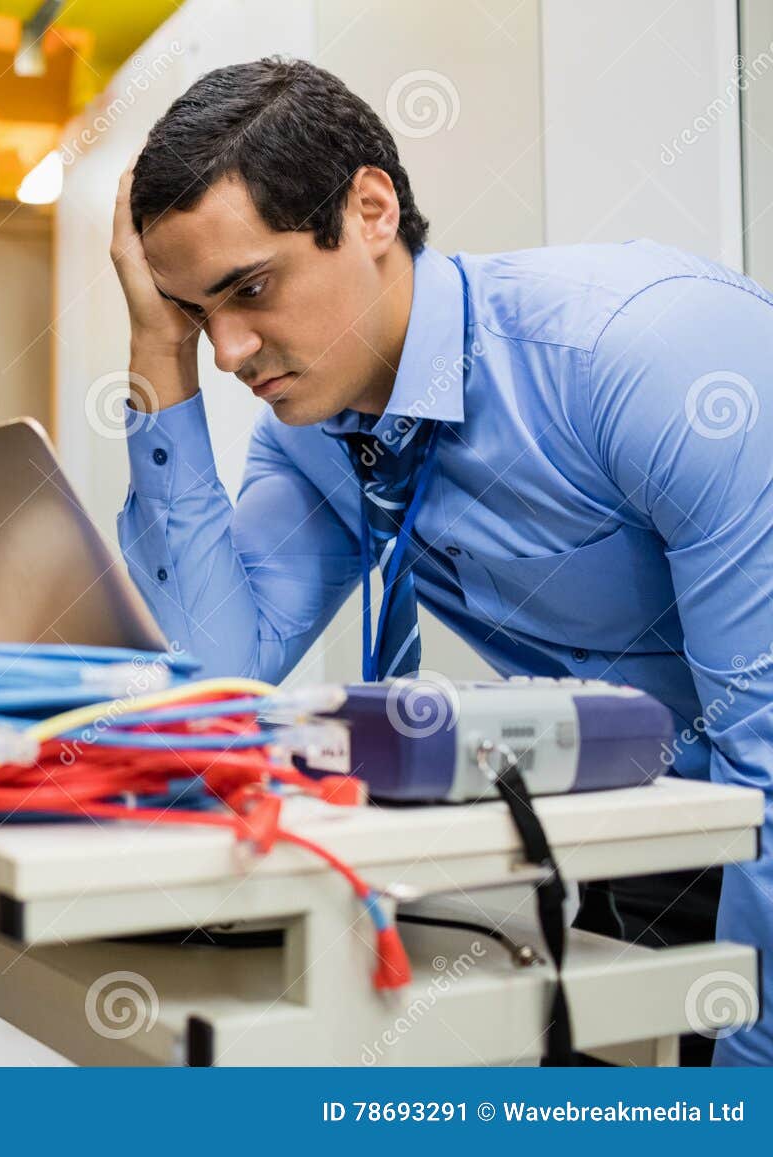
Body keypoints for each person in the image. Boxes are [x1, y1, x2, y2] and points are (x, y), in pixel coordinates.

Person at [112, 56, 773, 1066]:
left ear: (369, 208)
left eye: (249, 288)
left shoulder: (648, 353)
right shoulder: (314, 430)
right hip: (659, 833)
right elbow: (207, 684)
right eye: (196, 312)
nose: (231, 349)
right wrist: (156, 364)